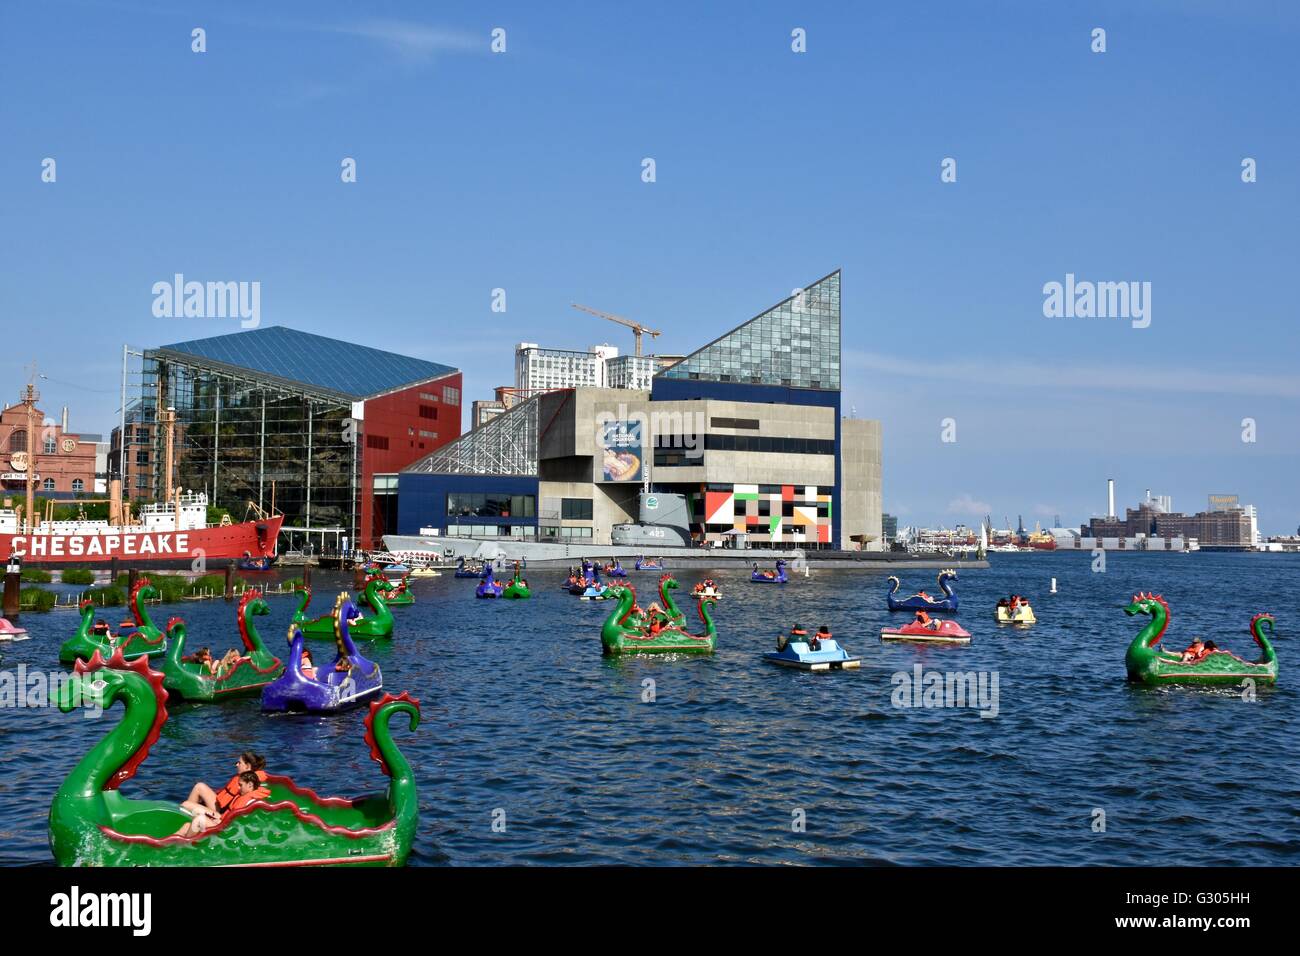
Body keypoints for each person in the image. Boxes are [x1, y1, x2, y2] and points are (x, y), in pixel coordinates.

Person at [178, 753, 267, 832]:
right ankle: (187, 823)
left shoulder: (248, 783)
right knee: (199, 786)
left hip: (221, 814)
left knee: (186, 804)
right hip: (223, 811)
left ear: (247, 766)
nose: (236, 764)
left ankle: (185, 822)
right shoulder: (244, 779)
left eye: (239, 763)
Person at [178, 771, 271, 837]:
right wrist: (218, 818)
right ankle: (166, 843)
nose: (238, 788)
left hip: (226, 829)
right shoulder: (243, 796)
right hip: (222, 820)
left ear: (250, 785)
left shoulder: (251, 802)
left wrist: (217, 820)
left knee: (199, 820)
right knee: (187, 825)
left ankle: (186, 846)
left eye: (241, 785)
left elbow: (239, 822)